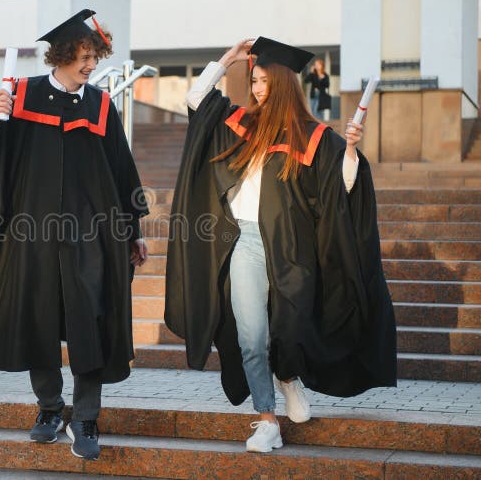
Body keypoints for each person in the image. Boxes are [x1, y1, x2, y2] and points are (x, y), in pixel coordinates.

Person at [164, 37, 396, 453]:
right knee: (251, 336)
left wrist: (352, 151)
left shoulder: (315, 136)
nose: (256, 88)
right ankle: (267, 419)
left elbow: (341, 189)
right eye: (253, 80)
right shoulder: (239, 123)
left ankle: (289, 378)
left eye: (265, 81)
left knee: (289, 330)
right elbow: (197, 100)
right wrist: (229, 60)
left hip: (294, 249)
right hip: (245, 241)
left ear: (286, 83)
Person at [0, 9, 149, 461]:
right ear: (60, 55)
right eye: (84, 55)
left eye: (95, 57)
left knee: (90, 320)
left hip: (91, 235)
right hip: (32, 235)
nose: (91, 65)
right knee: (38, 319)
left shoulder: (100, 105)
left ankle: (87, 417)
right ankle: (49, 408)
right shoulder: (17, 96)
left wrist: (133, 229)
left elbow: (121, 169)